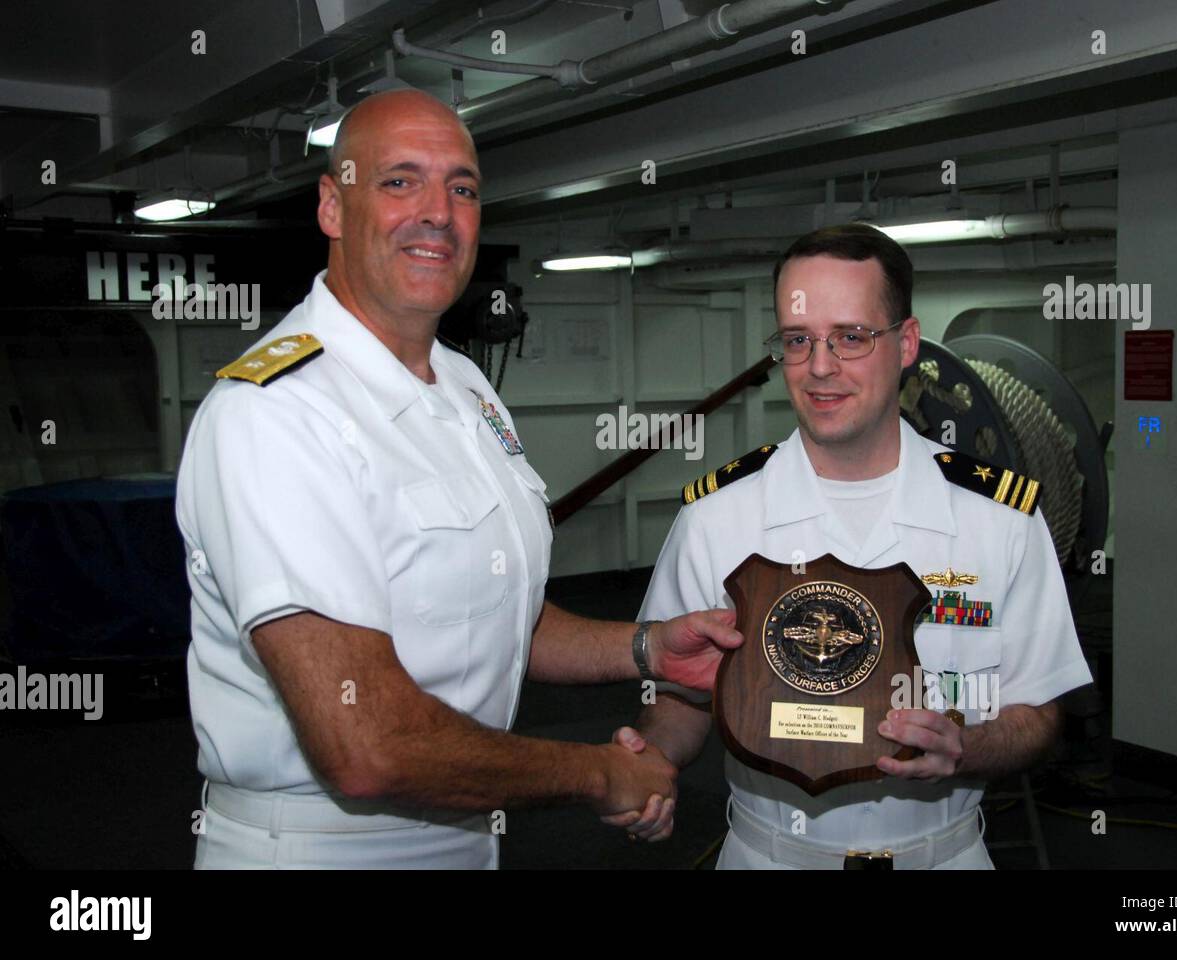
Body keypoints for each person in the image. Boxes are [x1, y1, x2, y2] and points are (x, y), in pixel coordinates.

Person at [175, 89, 740, 869]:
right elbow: (364, 745)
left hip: (461, 832)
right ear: (333, 208)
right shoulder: (277, 414)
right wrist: (599, 773)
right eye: (400, 181)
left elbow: (491, 608)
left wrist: (647, 649)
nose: (438, 212)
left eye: (462, 188)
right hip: (324, 847)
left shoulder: (465, 384)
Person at [615, 223, 1094, 867]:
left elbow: (1037, 708)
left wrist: (965, 748)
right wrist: (650, 762)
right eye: (798, 340)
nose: (819, 367)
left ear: (906, 344)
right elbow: (682, 696)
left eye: (851, 337)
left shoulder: (998, 517)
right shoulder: (715, 518)